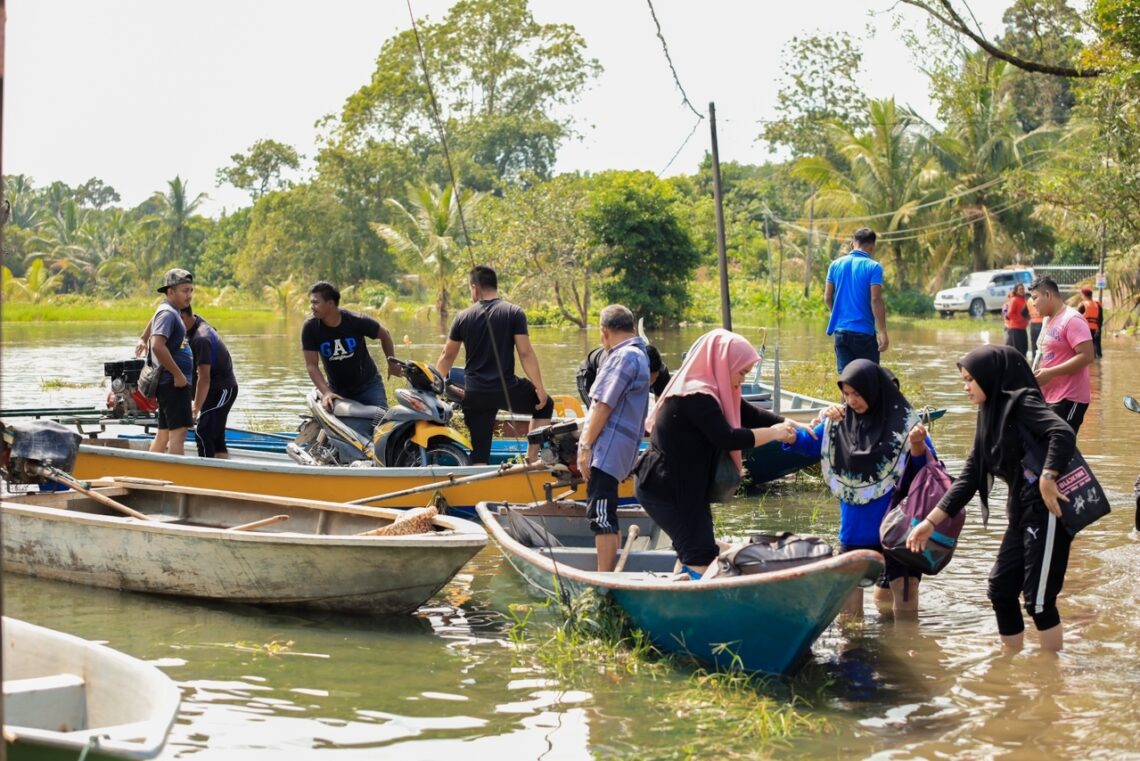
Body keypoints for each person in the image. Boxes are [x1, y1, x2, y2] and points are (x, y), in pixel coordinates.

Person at [908, 345, 1076, 654]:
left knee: (1038, 603)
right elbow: (971, 476)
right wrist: (929, 523)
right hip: (1020, 514)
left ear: (990, 377)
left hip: (1048, 511)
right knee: (1000, 591)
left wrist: (1048, 476)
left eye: (970, 379)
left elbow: (1062, 432)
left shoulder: (1022, 402)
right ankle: (1010, 661)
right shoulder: (988, 414)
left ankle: (1051, 678)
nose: (966, 387)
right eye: (964, 379)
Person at [634, 329, 800, 578]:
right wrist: (775, 433)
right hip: (665, 486)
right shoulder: (695, 395)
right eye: (741, 372)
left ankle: (680, 594)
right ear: (723, 363)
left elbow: (750, 415)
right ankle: (695, 608)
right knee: (698, 552)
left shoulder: (714, 389)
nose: (742, 380)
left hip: (686, 486)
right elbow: (727, 437)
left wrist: (795, 424)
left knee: (695, 548)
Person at [782, 359, 932, 617]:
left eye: (858, 394)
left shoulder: (907, 425)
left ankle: (907, 651)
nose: (852, 401)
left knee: (906, 610)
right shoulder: (837, 422)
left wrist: (918, 446)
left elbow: (927, 472)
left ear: (875, 390)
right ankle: (851, 652)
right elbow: (810, 442)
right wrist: (790, 435)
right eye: (847, 394)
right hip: (855, 531)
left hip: (898, 530)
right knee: (849, 616)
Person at [436, 266, 554, 464]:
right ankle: (531, 458)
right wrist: (539, 388)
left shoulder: (462, 317)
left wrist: (434, 384)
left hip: (475, 393)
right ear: (494, 285)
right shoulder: (514, 313)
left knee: (480, 451)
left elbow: (447, 356)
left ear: (475, 287)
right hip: (506, 389)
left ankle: (478, 481)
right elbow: (525, 353)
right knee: (545, 405)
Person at [575, 305, 651, 571]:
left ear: (604, 332)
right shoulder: (639, 355)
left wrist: (584, 446)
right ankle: (609, 572)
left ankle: (604, 579)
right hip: (621, 449)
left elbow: (602, 405)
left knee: (601, 515)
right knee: (607, 513)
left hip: (608, 449)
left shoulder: (623, 357)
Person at [302, 281, 400, 413]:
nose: (311, 307)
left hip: (368, 385)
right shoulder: (310, 327)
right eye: (311, 303)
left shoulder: (356, 320)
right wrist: (326, 392)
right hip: (336, 389)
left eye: (315, 303)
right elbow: (311, 365)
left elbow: (385, 335)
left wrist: (391, 363)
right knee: (338, 428)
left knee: (381, 420)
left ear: (330, 303)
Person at [135, 269, 195, 455]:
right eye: (185, 291)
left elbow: (155, 319)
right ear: (170, 292)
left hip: (171, 383)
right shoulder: (168, 314)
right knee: (178, 434)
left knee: (163, 434)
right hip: (173, 383)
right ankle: (175, 478)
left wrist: (143, 337)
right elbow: (158, 346)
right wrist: (178, 375)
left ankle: (150, 474)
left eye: (191, 290)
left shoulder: (169, 311)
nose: (189, 296)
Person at [1028, 276, 1094, 435]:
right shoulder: (1047, 321)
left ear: (1048, 295)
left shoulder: (1072, 319)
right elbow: (1045, 356)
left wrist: (1050, 373)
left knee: (1061, 449)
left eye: (1035, 298)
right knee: (1042, 448)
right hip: (1049, 397)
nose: (1033, 303)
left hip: (1069, 398)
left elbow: (1087, 356)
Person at [825, 227, 889, 372]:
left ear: (852, 244)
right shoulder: (874, 267)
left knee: (846, 380)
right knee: (869, 379)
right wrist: (883, 331)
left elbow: (828, 297)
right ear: (872, 247)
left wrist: (839, 316)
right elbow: (876, 300)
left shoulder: (835, 265)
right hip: (864, 334)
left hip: (841, 332)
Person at [180, 306, 239, 459]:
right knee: (217, 437)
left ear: (183, 318)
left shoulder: (201, 338)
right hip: (211, 390)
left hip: (222, 390)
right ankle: (223, 475)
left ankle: (206, 473)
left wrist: (196, 408)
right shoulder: (193, 322)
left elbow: (204, 377)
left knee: (203, 432)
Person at [576, 342, 669, 408]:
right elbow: (603, 404)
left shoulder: (662, 373)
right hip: (590, 374)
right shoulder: (621, 368)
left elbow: (661, 406)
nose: (650, 383)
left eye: (655, 378)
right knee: (596, 414)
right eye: (647, 378)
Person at [1003, 283, 1030, 356]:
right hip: (1015, 329)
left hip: (1022, 328)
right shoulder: (1014, 300)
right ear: (1016, 290)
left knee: (1024, 350)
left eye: (1023, 289)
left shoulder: (1024, 299)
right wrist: (1021, 319)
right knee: (1018, 352)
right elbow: (1010, 314)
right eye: (1020, 289)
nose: (1022, 291)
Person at [1077, 287, 1104, 359]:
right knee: (1097, 349)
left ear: (1083, 295)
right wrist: (1099, 329)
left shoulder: (1082, 305)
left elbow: (1076, 318)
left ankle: (1092, 365)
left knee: (1087, 350)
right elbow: (1100, 319)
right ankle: (1098, 365)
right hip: (1096, 330)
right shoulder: (1098, 305)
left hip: (1085, 330)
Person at [1027, 296, 1044, 363]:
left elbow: (1023, 312)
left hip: (1033, 323)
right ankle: (1041, 362)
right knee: (1042, 344)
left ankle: (1034, 361)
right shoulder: (1041, 298)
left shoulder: (1029, 300)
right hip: (1041, 323)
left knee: (1034, 344)